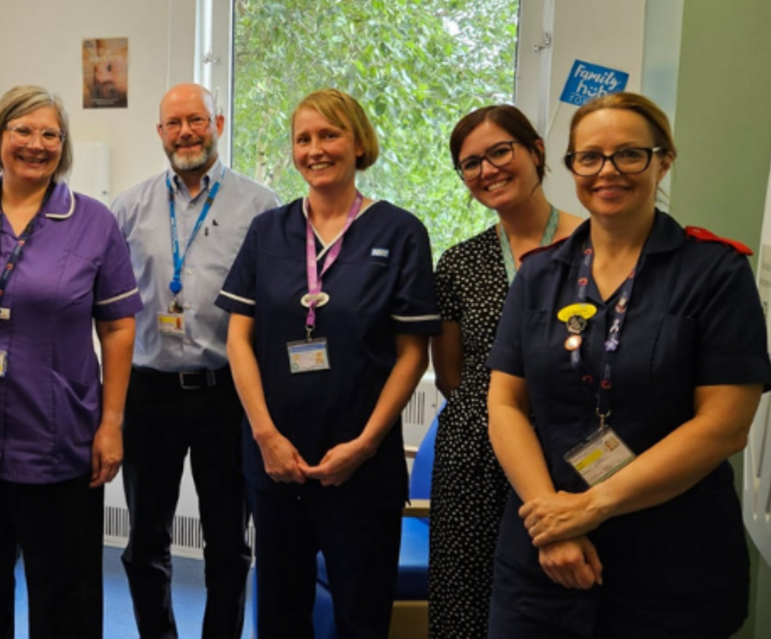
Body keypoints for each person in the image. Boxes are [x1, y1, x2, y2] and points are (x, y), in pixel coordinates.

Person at [486, 91, 771, 638]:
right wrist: (552, 518)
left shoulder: (714, 273)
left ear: (664, 159)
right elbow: (505, 404)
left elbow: (725, 426)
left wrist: (590, 508)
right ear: (571, 167)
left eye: (630, 154)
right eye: (589, 157)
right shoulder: (539, 276)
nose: (607, 171)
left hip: (672, 564)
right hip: (544, 558)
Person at [218, 88, 440, 638]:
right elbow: (238, 340)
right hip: (275, 462)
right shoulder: (269, 230)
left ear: (359, 142)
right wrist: (265, 436)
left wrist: (364, 445)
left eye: (329, 134)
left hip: (361, 465)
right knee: (280, 612)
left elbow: (413, 354)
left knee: (361, 616)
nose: (315, 149)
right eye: (303, 138)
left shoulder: (400, 232)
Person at [0, 85, 141, 639]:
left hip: (58, 442)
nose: (36, 144)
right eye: (22, 130)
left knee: (65, 602)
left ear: (63, 146)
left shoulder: (93, 221)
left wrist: (112, 425)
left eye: (50, 133)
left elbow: (118, 326)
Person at [111, 83, 277, 639]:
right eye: (174, 123)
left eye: (197, 121)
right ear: (160, 133)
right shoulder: (128, 207)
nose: (186, 132)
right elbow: (109, 305)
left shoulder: (261, 207)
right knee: (145, 544)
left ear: (219, 125)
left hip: (225, 393)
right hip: (148, 391)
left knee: (229, 542)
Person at [428, 104, 582, 638]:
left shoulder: (595, 247)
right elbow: (451, 374)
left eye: (500, 151)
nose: (487, 170)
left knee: (560, 600)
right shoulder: (458, 264)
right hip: (473, 457)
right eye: (471, 164)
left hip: (572, 457)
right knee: (465, 600)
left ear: (537, 151)